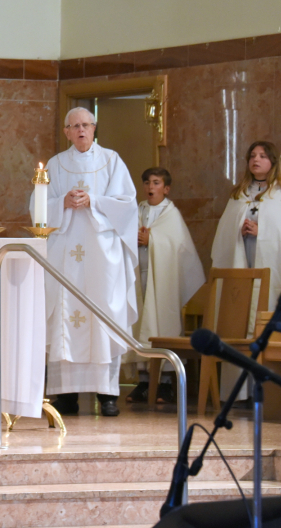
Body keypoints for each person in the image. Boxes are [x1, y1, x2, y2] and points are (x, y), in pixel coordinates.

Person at [42, 107, 138, 417]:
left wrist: (93, 201)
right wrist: (63, 203)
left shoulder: (112, 160)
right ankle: (64, 394)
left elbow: (127, 205)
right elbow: (39, 206)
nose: (81, 130)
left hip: (102, 254)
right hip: (65, 252)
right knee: (63, 314)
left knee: (105, 314)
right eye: (75, 126)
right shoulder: (55, 165)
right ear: (66, 131)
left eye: (86, 125)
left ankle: (107, 394)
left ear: (94, 128)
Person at [211, 141, 281, 401]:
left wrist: (264, 233)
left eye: (262, 156)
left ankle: (271, 395)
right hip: (243, 273)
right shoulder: (238, 196)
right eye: (252, 155)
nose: (256, 159)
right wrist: (238, 235)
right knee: (241, 327)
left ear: (274, 161)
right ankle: (241, 393)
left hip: (275, 277)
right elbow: (222, 241)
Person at [126, 167, 205, 405]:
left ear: (166, 188)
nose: (151, 187)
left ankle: (167, 383)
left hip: (163, 280)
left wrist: (153, 240)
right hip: (137, 277)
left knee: (161, 324)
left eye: (157, 183)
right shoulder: (134, 211)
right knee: (140, 325)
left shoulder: (172, 215)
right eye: (147, 182)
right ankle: (142, 382)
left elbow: (180, 247)